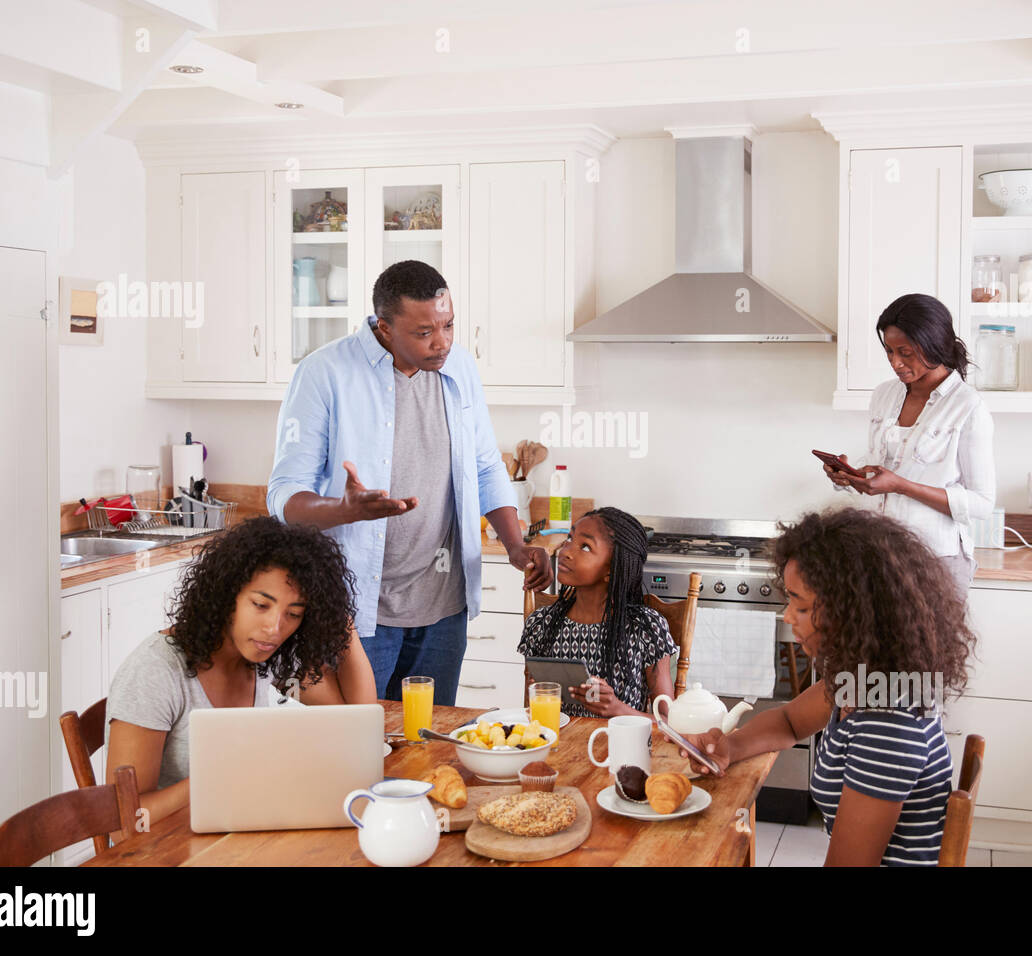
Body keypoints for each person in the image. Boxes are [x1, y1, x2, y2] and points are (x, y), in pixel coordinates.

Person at [268, 260, 552, 704]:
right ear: (383, 327)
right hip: (357, 610)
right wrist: (344, 511)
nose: (441, 343)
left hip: (444, 609)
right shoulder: (324, 373)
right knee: (357, 749)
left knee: (430, 748)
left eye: (449, 325)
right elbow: (283, 495)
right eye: (424, 333)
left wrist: (516, 545)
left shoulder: (460, 368)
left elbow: (484, 465)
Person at [678, 509, 976, 866]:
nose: (788, 616)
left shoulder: (887, 722)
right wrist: (729, 746)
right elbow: (790, 722)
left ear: (852, 612)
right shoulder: (867, 678)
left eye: (800, 606)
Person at [104, 517, 377, 828]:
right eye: (261, 605)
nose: (275, 628)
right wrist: (223, 774)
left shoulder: (267, 656)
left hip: (238, 832)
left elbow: (357, 720)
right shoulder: (155, 672)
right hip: (168, 853)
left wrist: (343, 626)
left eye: (294, 614)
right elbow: (123, 820)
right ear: (225, 595)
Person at [822, 293, 995, 597]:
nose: (895, 363)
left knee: (929, 646)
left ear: (934, 345)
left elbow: (981, 503)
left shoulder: (968, 407)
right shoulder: (884, 395)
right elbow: (885, 466)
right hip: (878, 556)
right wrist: (851, 474)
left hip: (935, 562)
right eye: (889, 351)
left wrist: (901, 486)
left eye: (905, 352)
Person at [516, 508, 675, 719]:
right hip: (559, 749)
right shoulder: (541, 623)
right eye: (570, 538)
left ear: (610, 570)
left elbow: (668, 722)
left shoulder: (645, 628)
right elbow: (531, 714)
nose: (566, 551)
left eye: (585, 546)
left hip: (619, 749)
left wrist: (618, 710)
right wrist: (539, 695)